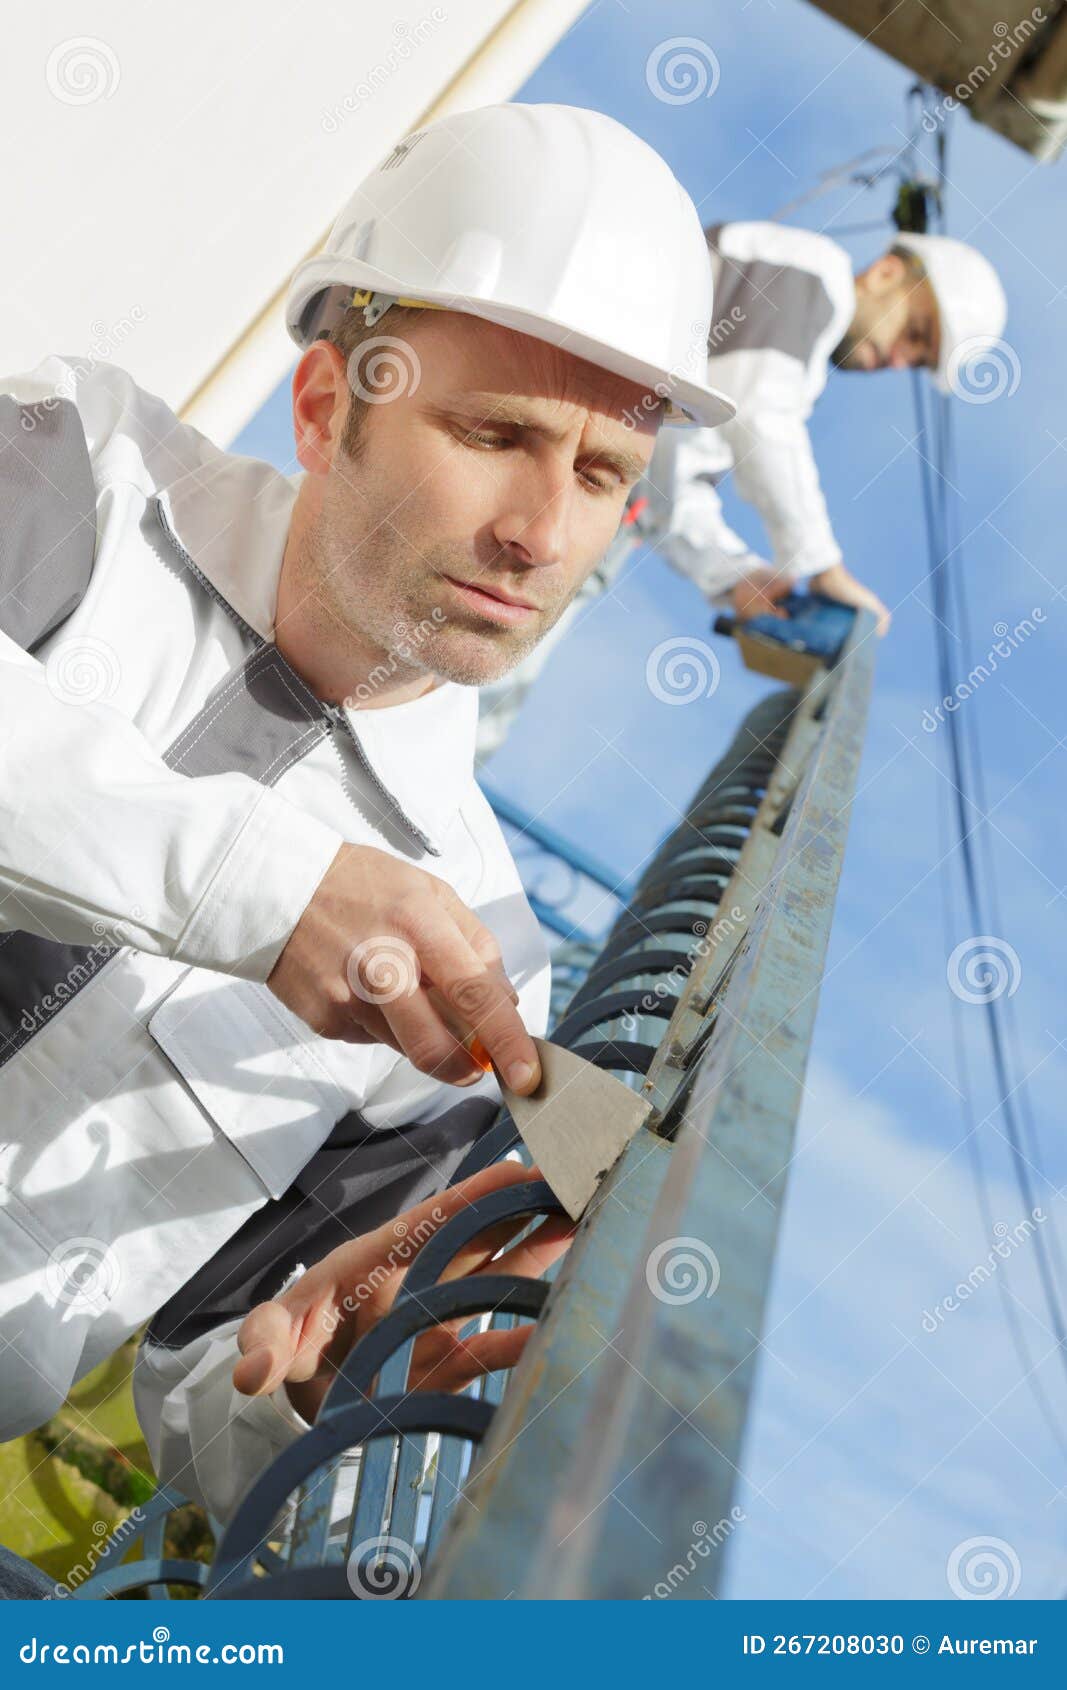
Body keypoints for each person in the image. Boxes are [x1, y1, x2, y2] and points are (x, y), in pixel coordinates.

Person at [0, 100, 735, 1545]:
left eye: (599, 478)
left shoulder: (485, 960)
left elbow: (213, 1385)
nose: (539, 530)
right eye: (495, 433)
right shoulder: (73, 464)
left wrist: (312, 1366)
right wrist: (255, 889)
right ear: (328, 403)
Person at [475, 219, 1007, 761]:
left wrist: (735, 577)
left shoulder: (768, 370)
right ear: (888, 272)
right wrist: (824, 566)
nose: (899, 359)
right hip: (543, 461)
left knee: (473, 714)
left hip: (585, 517)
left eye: (915, 362)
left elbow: (671, 488)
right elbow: (760, 418)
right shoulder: (812, 271)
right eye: (915, 334)